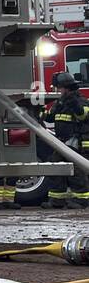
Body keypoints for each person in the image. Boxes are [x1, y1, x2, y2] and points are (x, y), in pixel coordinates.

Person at [41, 71, 89, 209]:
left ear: (66, 88)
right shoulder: (59, 103)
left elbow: (83, 116)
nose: (57, 91)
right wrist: (39, 112)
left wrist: (74, 105)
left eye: (58, 88)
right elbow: (50, 117)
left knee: (76, 173)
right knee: (55, 169)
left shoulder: (80, 101)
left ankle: (82, 200)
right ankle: (57, 200)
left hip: (77, 144)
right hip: (62, 144)